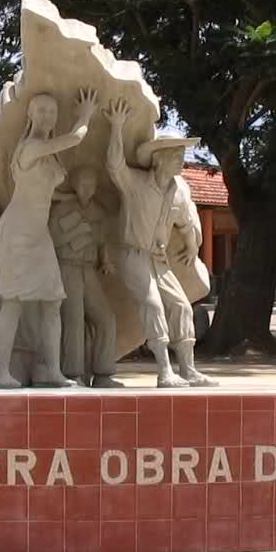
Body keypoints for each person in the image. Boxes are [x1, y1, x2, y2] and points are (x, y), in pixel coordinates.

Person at [102, 98, 214, 388]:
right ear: (160, 158)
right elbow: (114, 166)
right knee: (153, 305)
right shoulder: (137, 182)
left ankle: (188, 369)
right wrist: (116, 127)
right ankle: (165, 370)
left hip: (160, 259)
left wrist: (192, 245)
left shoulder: (179, 191)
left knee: (181, 306)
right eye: (176, 154)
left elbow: (186, 222)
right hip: (133, 256)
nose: (181, 158)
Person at [0, 89, 98, 388]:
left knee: (52, 301)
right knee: (12, 301)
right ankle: (2, 372)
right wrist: (85, 116)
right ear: (30, 114)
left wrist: (73, 198)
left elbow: (48, 192)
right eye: (41, 110)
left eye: (52, 111)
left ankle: (52, 369)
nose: (47, 116)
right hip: (17, 232)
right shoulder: (30, 148)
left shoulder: (49, 154)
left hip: (40, 234)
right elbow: (76, 137)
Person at [50, 165, 120, 386]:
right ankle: (73, 374)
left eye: (91, 184)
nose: (87, 189)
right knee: (74, 318)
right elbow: (51, 241)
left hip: (89, 269)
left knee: (105, 318)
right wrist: (75, 232)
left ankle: (103, 373)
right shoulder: (62, 209)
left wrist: (106, 258)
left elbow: (102, 241)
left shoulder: (99, 212)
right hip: (67, 267)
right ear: (74, 185)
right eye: (83, 184)